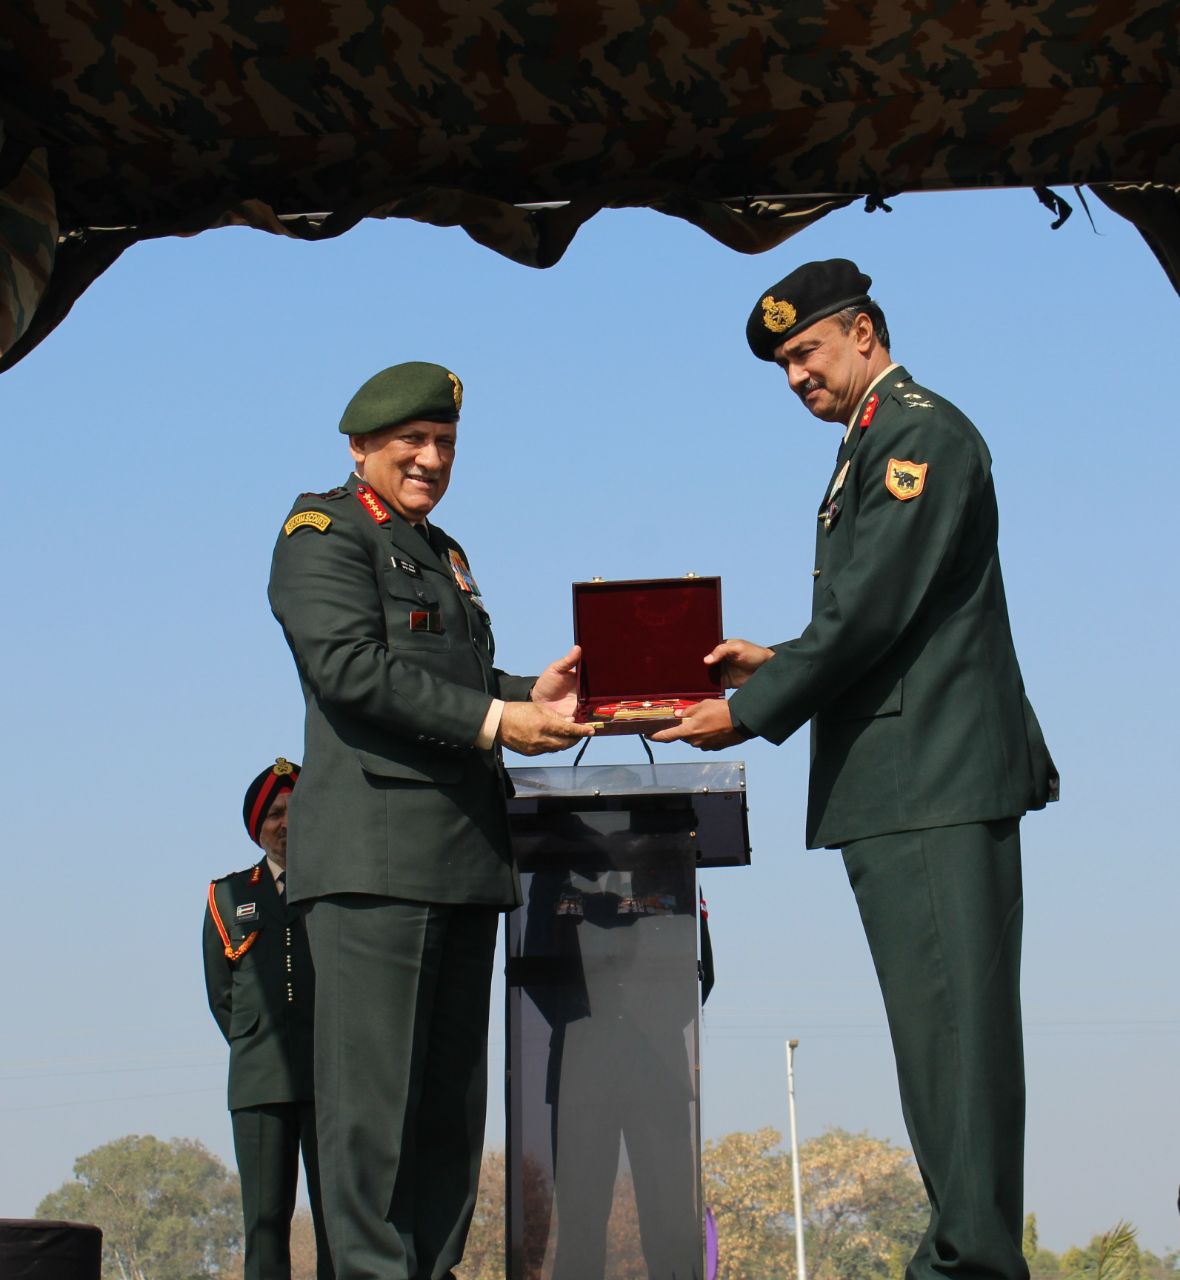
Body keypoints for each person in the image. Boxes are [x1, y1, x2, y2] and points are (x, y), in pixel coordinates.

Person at [654, 258, 1058, 1280]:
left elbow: (874, 607)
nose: (795, 375)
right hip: (904, 775)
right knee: (936, 1039)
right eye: (783, 363)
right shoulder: (869, 441)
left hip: (929, 774)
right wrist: (776, 660)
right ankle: (962, 1245)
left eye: (806, 351)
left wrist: (749, 709)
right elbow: (875, 616)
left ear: (864, 333)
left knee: (954, 1037)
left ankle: (970, 1258)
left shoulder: (915, 433)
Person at [267, 360, 592, 1280]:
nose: (430, 458)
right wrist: (499, 719)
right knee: (370, 1118)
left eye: (445, 444)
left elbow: (451, 684)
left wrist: (536, 694)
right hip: (374, 866)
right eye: (412, 441)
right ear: (361, 445)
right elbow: (351, 669)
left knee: (450, 1114)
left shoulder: (442, 552)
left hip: (462, 860)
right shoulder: (322, 534)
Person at [203, 758, 333, 1280]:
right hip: (259, 1083)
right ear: (258, 826)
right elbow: (222, 997)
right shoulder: (228, 895)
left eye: (297, 810)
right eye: (276, 813)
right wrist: (258, 1043)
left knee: (339, 1224)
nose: (286, 823)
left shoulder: (336, 887)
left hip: (330, 1078)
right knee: (263, 1224)